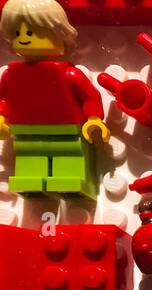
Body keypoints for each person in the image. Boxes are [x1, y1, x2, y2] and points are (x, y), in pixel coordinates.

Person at [0, 0, 108, 198]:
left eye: (31, 32)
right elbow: (4, 100)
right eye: (17, 33)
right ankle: (32, 186)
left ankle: (73, 186)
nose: (24, 38)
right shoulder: (10, 75)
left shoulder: (68, 74)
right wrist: (2, 119)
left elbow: (89, 95)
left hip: (67, 132)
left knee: (68, 161)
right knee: (30, 162)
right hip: (25, 133)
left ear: (59, 33)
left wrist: (93, 119)